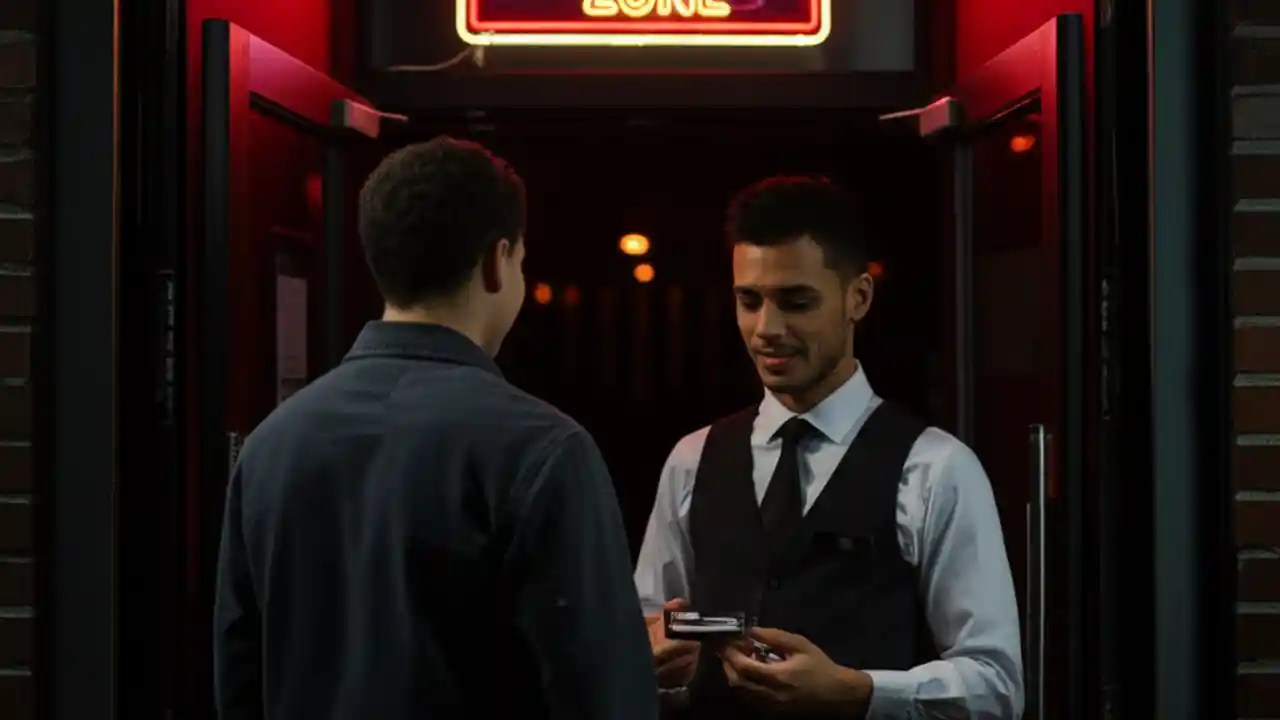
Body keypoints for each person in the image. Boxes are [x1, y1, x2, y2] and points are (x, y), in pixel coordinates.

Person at [213, 136, 658, 719]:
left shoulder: (272, 443)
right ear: (498, 262)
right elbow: (605, 697)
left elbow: (239, 679)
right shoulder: (542, 450)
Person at [634, 175, 1023, 719]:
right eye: (749, 301)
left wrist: (857, 692)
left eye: (796, 302)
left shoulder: (936, 468)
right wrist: (658, 671)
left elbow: (997, 687)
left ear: (858, 297)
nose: (766, 328)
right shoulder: (692, 460)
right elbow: (641, 646)